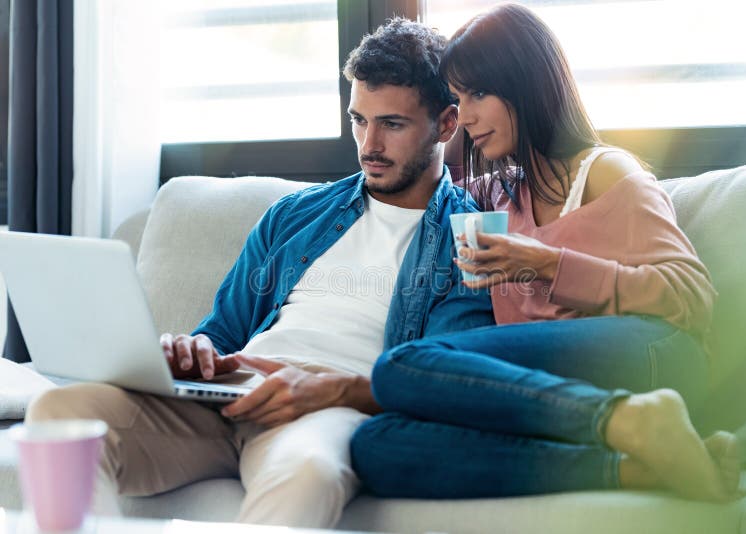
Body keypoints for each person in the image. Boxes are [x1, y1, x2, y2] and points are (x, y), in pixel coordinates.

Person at [25, 18, 494, 528]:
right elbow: (222, 332)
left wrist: (327, 386)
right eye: (359, 119)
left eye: (392, 124)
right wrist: (190, 353)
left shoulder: (467, 239)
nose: (368, 144)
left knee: (309, 471)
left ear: (447, 124)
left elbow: (442, 380)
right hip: (228, 396)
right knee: (60, 414)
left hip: (325, 410)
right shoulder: (295, 214)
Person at [350, 4, 743, 503]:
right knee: (375, 445)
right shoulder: (493, 196)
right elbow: (423, 176)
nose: (466, 117)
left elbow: (692, 296)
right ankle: (636, 460)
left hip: (652, 355)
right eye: (456, 99)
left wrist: (546, 264)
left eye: (479, 93)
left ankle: (630, 416)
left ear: (527, 84)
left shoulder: (605, 172)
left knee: (401, 367)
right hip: (552, 392)